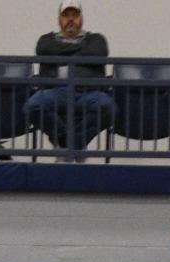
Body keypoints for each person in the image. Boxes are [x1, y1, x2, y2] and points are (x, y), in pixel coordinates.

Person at [26, 3, 114, 156]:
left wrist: (60, 55)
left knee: (108, 107)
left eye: (75, 15)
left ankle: (76, 143)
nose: (71, 20)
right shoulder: (46, 39)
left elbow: (97, 53)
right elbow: (44, 50)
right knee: (32, 106)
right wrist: (80, 53)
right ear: (59, 19)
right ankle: (66, 141)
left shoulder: (96, 39)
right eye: (66, 16)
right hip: (55, 91)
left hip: (87, 91)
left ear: (82, 19)